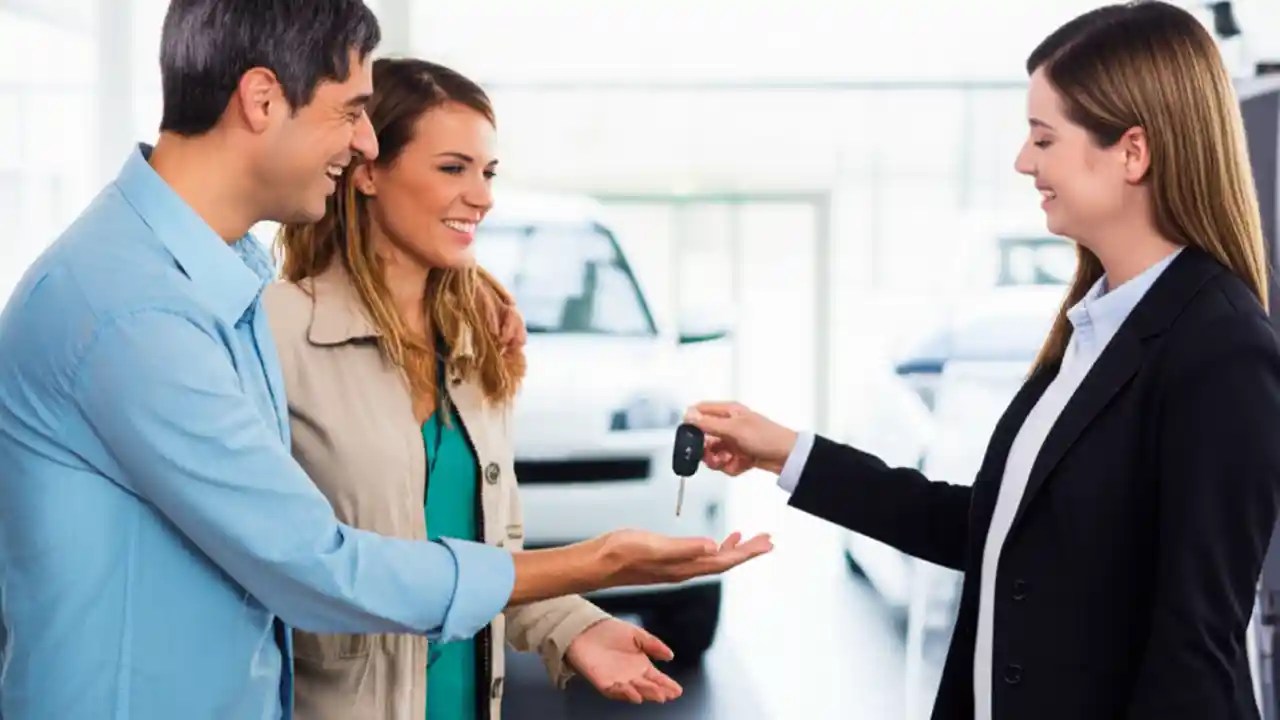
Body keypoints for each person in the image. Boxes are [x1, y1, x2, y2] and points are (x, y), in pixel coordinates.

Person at [0, 2, 770, 719]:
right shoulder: (139, 309)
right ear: (262, 100)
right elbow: (315, 567)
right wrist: (598, 561)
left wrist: (563, 619)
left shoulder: (212, 278)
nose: (364, 140)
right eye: (352, 112)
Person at [684, 3, 1280, 719]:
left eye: (1043, 138)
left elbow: (1194, 649)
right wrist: (786, 451)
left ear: (1132, 151)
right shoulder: (1092, 326)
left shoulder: (1221, 349)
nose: (1024, 162)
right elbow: (994, 532)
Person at [267, 58, 696, 720]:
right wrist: (601, 561)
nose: (483, 196)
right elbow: (281, 564)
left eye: (487, 172)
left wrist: (572, 626)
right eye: (453, 168)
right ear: (369, 169)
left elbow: (496, 558)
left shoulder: (479, 345)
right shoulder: (277, 330)